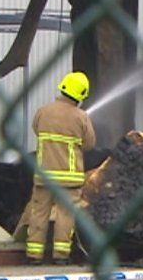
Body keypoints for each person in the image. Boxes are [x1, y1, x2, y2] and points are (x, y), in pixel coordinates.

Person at [25, 71, 96, 265]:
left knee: (39, 212)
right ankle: (61, 256)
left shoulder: (43, 111)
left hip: (43, 175)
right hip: (68, 177)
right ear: (81, 94)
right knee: (66, 215)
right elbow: (89, 144)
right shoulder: (81, 117)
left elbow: (35, 129)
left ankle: (34, 255)